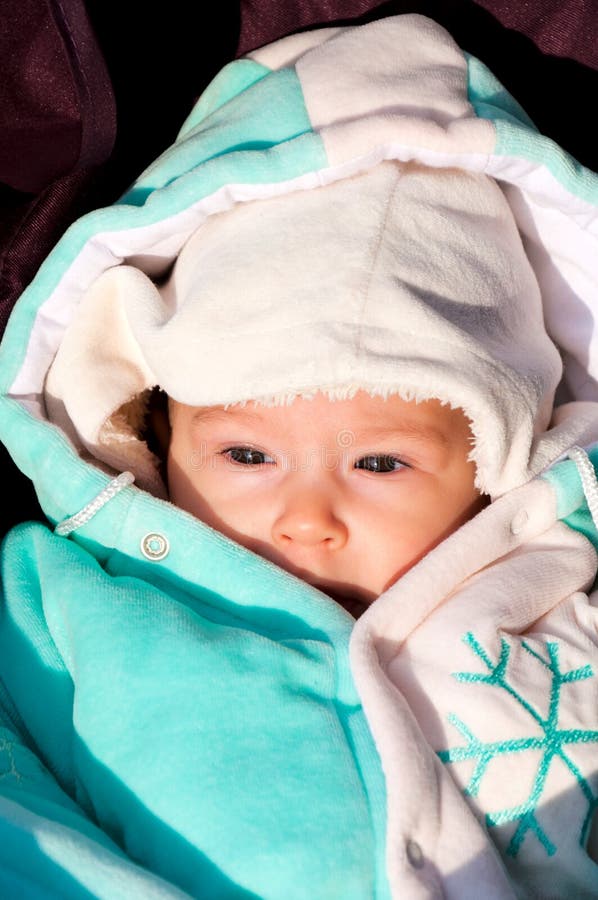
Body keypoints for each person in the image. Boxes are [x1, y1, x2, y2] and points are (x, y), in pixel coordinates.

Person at [1, 13, 598, 899]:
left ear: (497, 469)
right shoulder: (59, 603)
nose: (306, 520)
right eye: (247, 454)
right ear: (160, 433)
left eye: (381, 465)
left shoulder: (564, 605)